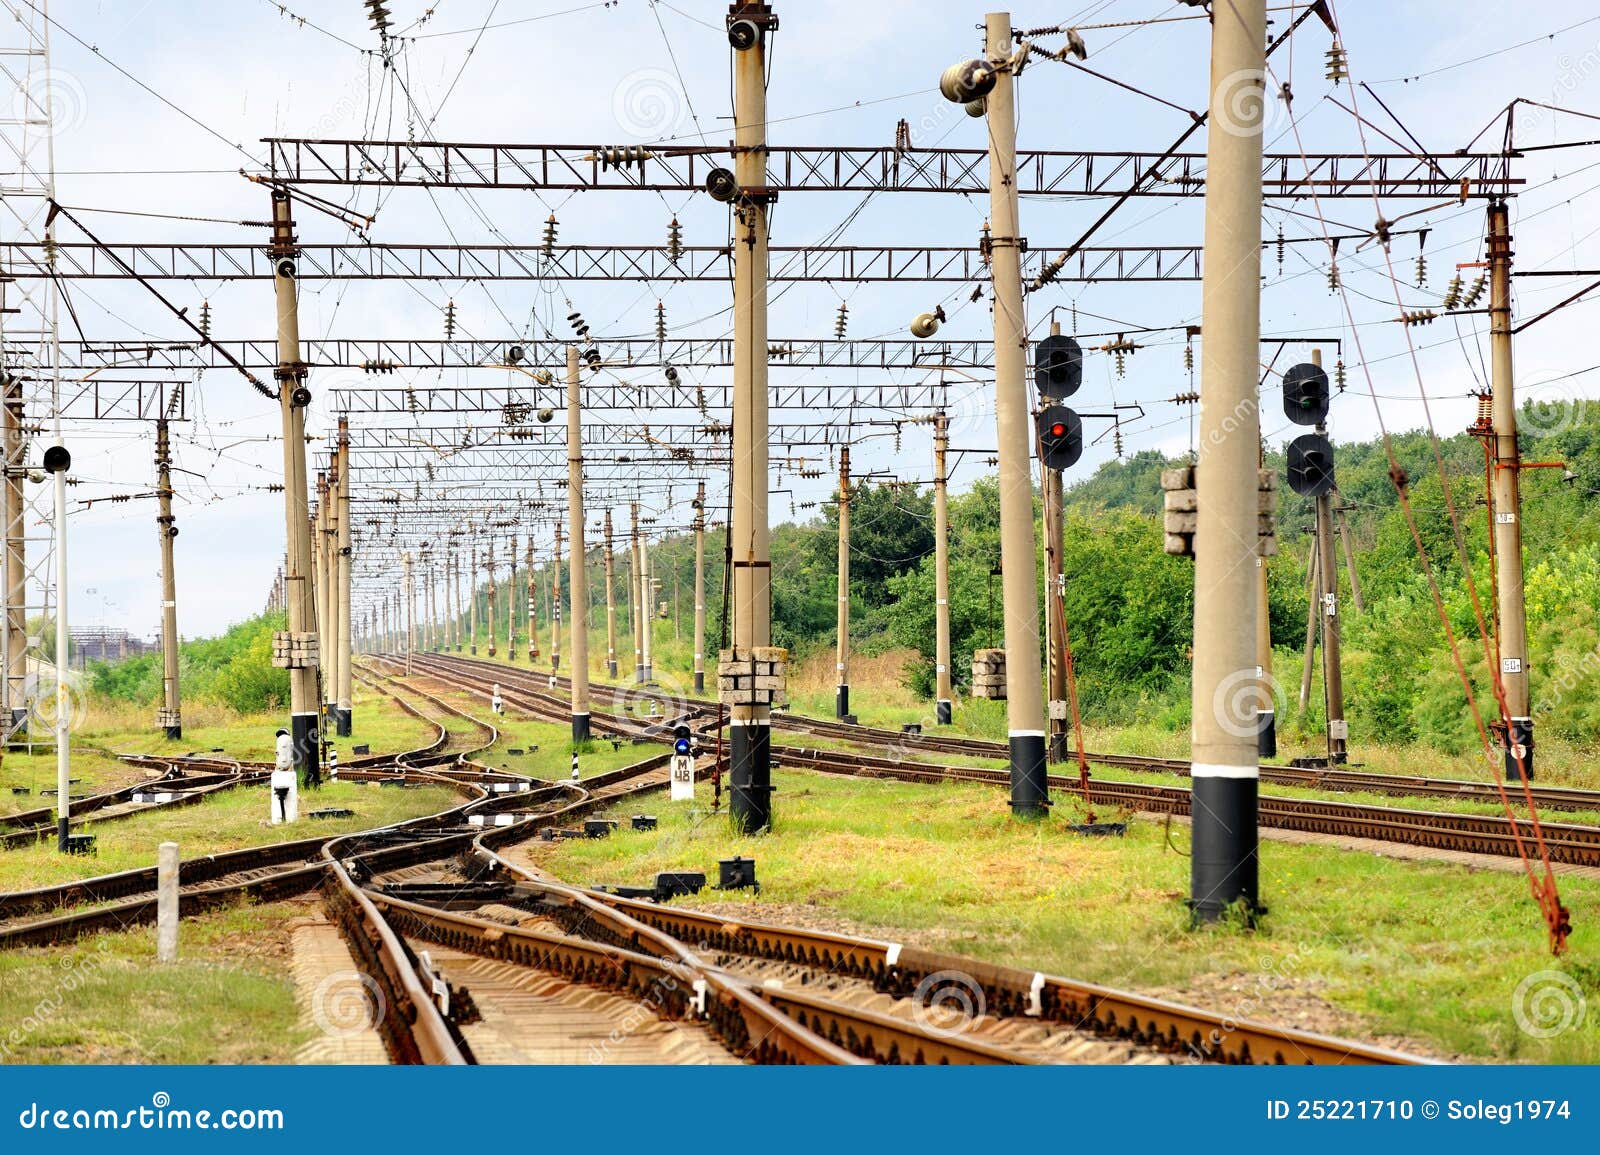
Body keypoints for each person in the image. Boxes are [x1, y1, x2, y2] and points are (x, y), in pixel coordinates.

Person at [270, 727, 297, 824]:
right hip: (282, 769)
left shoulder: (285, 743)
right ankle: (283, 817)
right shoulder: (283, 743)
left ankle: (284, 818)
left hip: (286, 769)